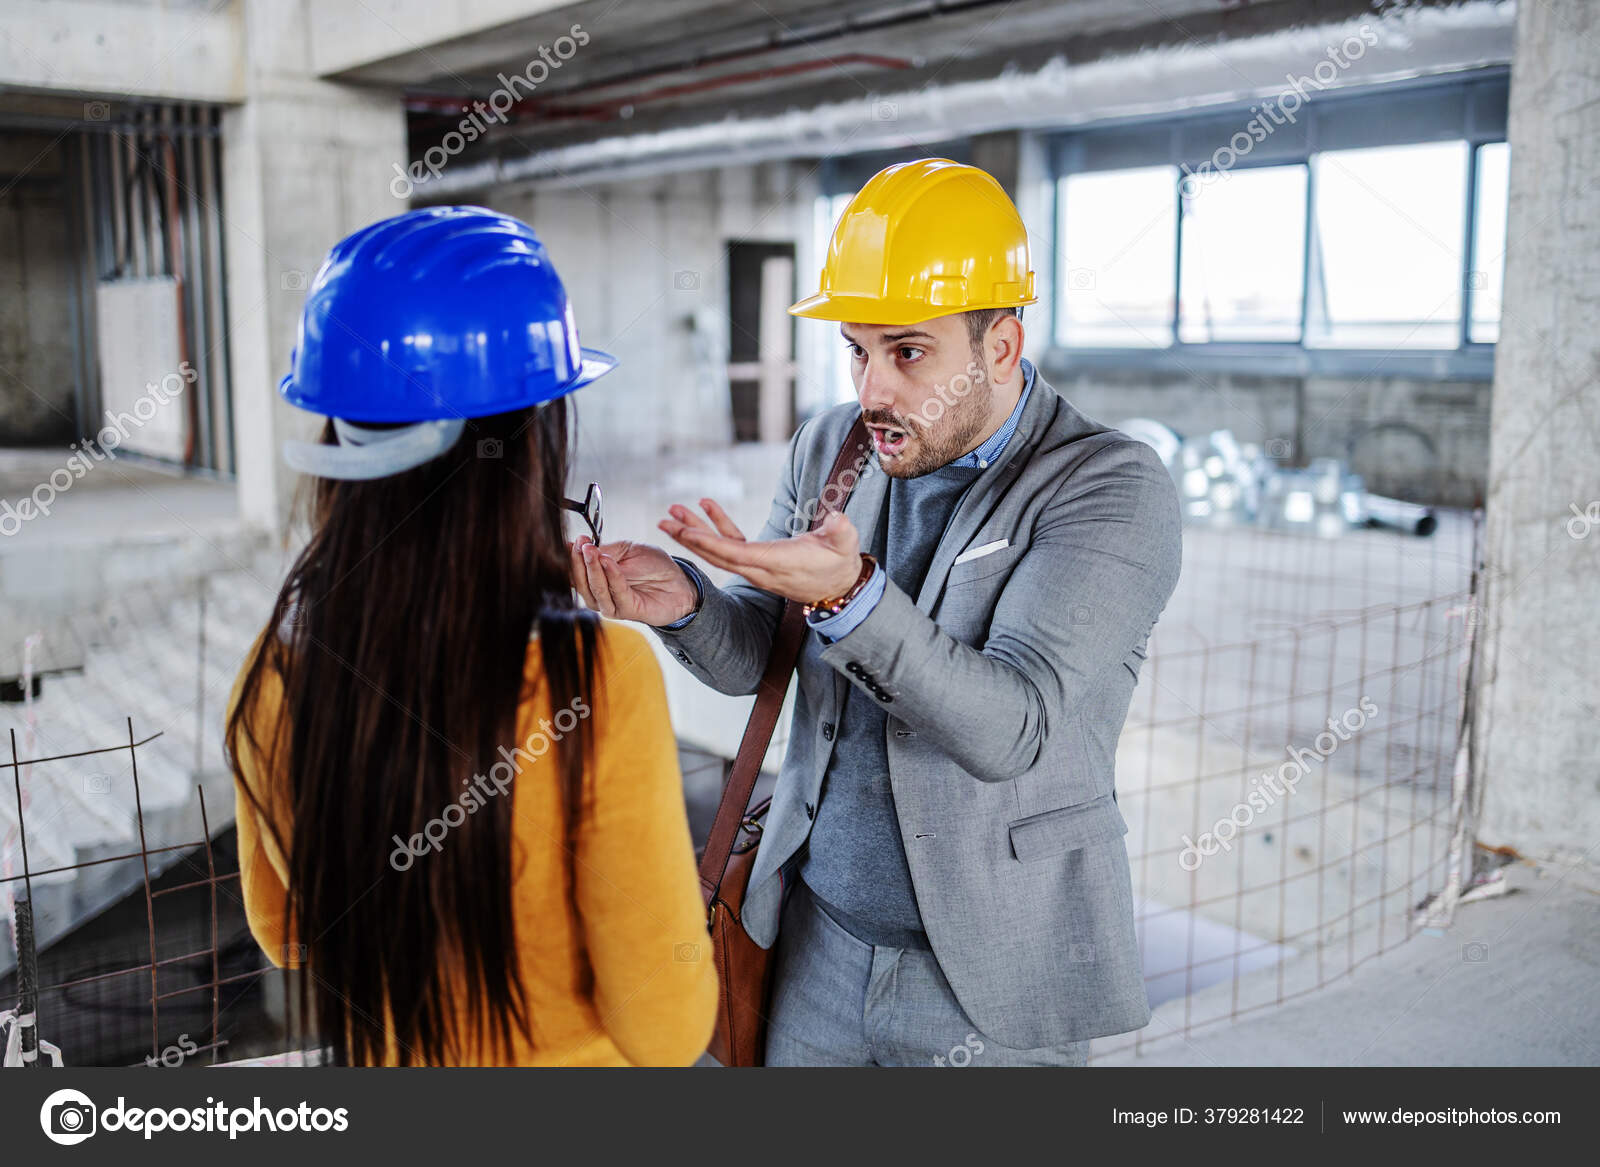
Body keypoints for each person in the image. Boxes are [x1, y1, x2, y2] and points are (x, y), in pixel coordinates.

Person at [571, 158, 1181, 1066]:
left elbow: (1010, 728)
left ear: (1001, 347)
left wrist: (851, 597)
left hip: (986, 979)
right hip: (817, 941)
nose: (872, 391)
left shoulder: (1105, 487)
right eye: (857, 350)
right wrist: (688, 604)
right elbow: (762, 661)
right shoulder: (833, 446)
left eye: (907, 353)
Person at [227, 207, 717, 1067]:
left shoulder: (274, 669)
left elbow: (286, 935)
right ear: (530, 441)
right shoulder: (592, 677)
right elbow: (666, 1028)